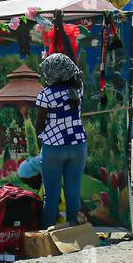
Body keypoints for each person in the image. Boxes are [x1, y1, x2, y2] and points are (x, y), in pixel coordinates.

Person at [33, 53, 88, 229]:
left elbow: (39, 125)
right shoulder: (78, 89)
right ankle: (74, 230)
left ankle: (47, 233)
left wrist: (38, 140)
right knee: (73, 192)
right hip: (78, 145)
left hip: (53, 148)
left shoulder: (46, 94)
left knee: (52, 194)